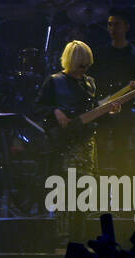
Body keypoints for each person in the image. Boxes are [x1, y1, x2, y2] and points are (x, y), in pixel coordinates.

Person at [36, 40, 113, 175]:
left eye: (86, 66)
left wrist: (109, 110)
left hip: (86, 143)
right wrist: (56, 111)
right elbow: (38, 107)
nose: (83, 69)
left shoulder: (89, 82)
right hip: (62, 145)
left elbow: (93, 110)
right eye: (80, 66)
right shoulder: (54, 81)